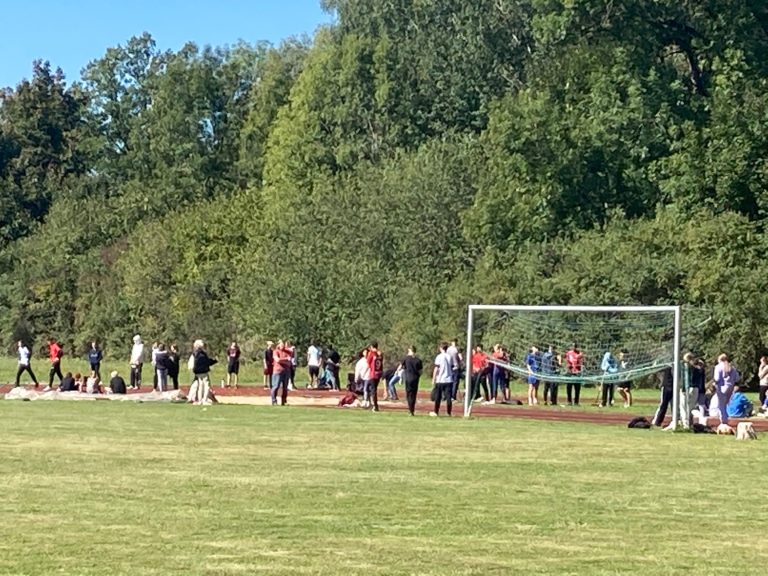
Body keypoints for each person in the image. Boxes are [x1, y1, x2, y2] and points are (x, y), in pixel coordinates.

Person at [712, 353, 739, 425]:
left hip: (721, 387)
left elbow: (717, 378)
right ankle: (725, 419)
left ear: (720, 359)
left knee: (721, 406)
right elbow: (737, 378)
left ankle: (723, 421)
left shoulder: (718, 367)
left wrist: (714, 383)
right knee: (725, 405)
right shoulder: (732, 368)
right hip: (730, 387)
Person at [190, 339, 218, 405]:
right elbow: (207, 362)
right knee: (206, 386)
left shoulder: (194, 354)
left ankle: (199, 400)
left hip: (197, 372)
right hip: (203, 371)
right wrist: (215, 361)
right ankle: (204, 400)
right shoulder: (202, 354)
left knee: (200, 386)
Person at [431, 342, 454, 417]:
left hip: (440, 379)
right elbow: (451, 367)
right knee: (448, 398)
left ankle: (436, 411)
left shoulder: (439, 357)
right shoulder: (449, 357)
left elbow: (436, 368)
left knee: (438, 397)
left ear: (441, 348)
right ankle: (448, 412)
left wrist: (434, 379)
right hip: (448, 379)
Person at [402, 346, 423, 416]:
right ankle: (412, 409)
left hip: (408, 378)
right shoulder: (418, 360)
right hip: (415, 378)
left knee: (408, 394)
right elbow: (420, 371)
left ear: (410, 350)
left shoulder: (406, 359)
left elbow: (402, 366)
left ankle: (410, 409)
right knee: (414, 394)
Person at [270, 340, 291, 406]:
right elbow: (277, 360)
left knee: (285, 387)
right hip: (277, 371)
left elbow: (289, 362)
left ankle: (284, 401)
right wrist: (286, 359)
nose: (282, 346)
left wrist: (283, 360)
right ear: (278, 345)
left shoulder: (288, 352)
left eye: (283, 345)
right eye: (281, 345)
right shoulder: (275, 351)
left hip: (286, 371)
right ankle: (274, 400)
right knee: (276, 386)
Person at [366, 342, 384, 412]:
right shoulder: (380, 353)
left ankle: (374, 406)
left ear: (371, 346)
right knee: (374, 389)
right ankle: (374, 405)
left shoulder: (371, 353)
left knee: (372, 390)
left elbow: (368, 362)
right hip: (379, 373)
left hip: (373, 374)